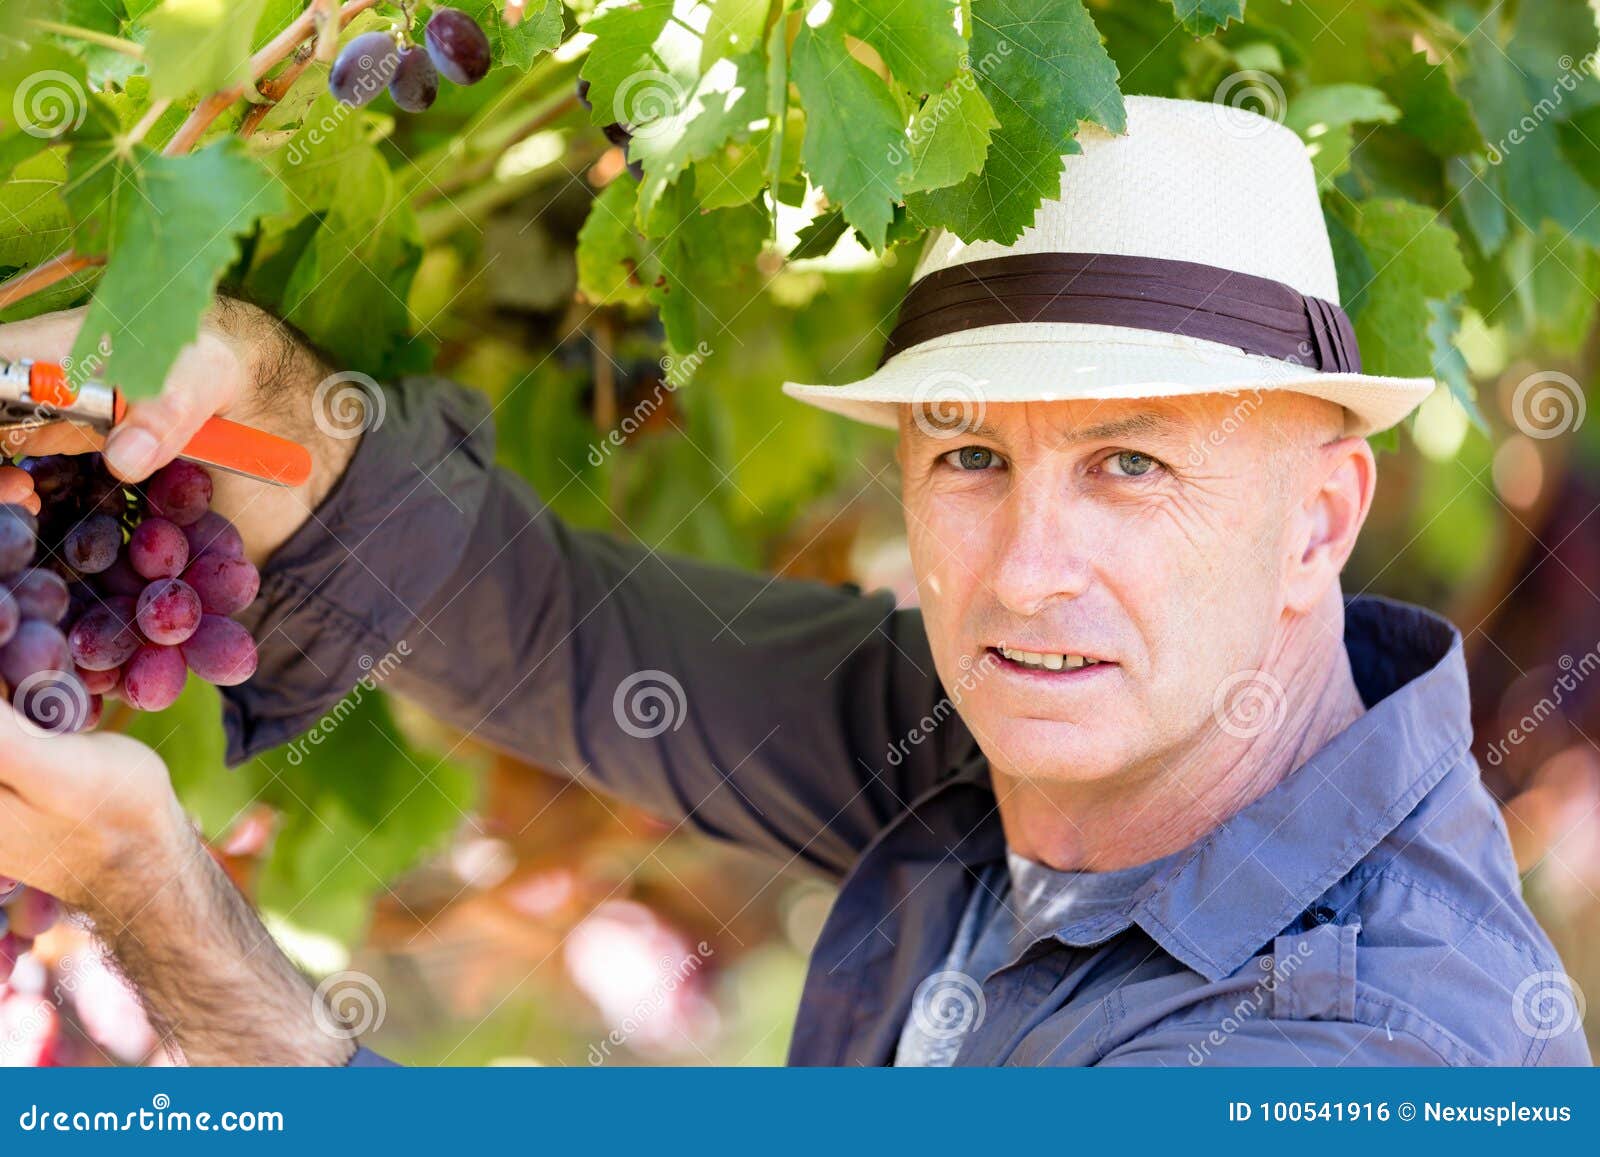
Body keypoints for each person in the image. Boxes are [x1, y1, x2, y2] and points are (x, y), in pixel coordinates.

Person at [0, 96, 1588, 1067]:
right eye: (970, 455)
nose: (1029, 572)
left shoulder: (1355, 1050)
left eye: (1133, 465)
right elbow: (552, 627)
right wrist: (267, 405)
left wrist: (147, 885)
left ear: (1322, 518)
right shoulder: (1036, 733)